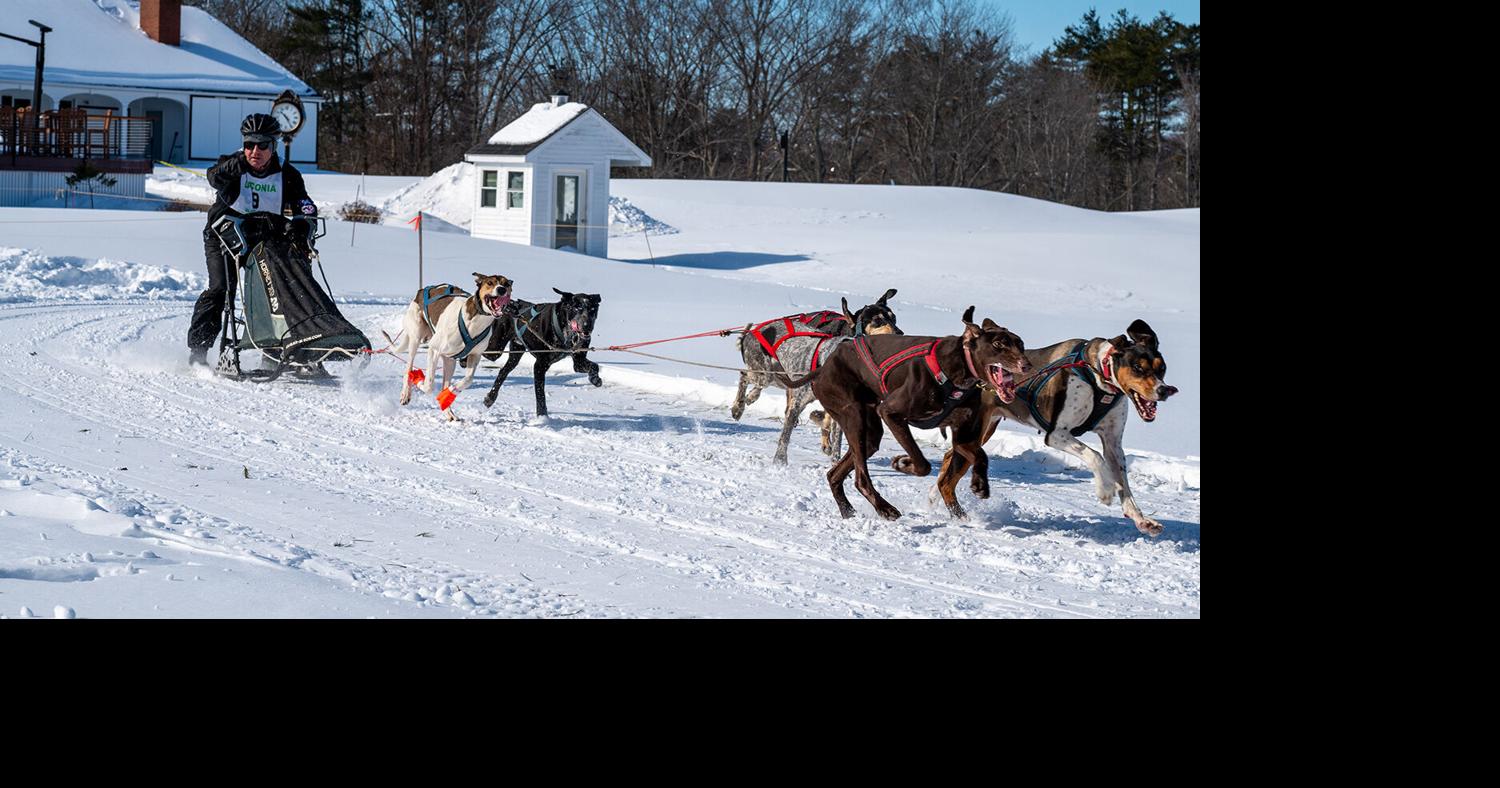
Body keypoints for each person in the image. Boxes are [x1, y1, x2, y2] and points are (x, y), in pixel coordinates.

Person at [188, 113, 319, 366]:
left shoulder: (288, 174)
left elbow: (306, 206)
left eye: (262, 145)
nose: (254, 151)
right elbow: (213, 176)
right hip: (224, 237)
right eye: (249, 144)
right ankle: (198, 351)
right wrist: (233, 167)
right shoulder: (233, 165)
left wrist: (302, 224)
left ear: (274, 146)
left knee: (277, 289)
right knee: (221, 289)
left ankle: (276, 352)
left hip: (264, 239)